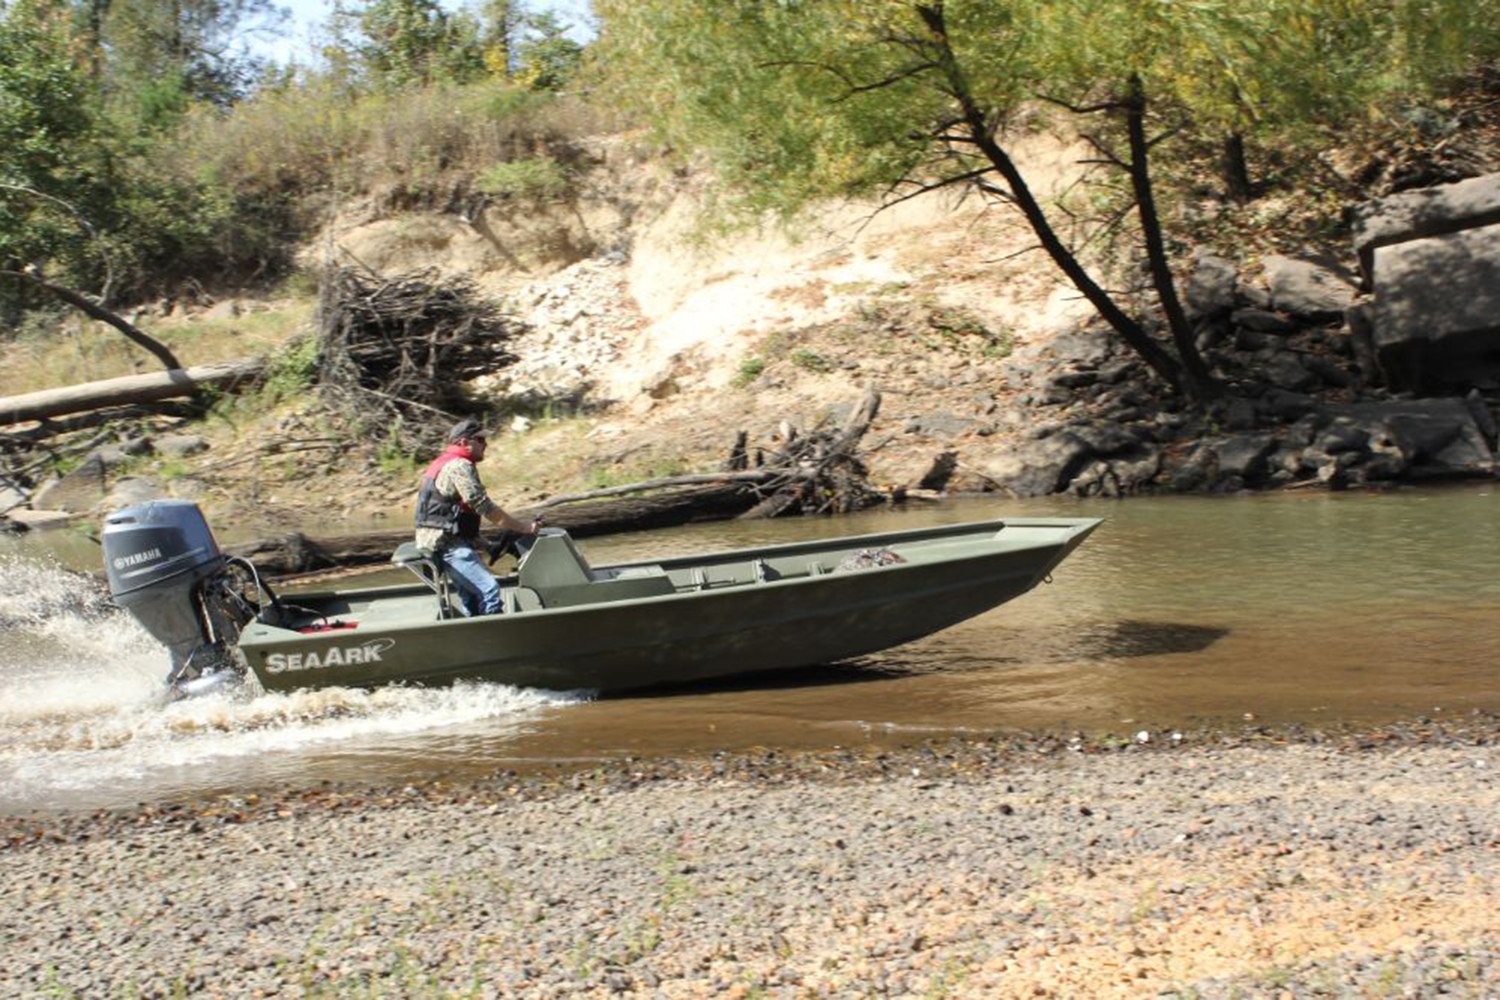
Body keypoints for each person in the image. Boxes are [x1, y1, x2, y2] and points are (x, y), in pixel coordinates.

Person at [414, 418, 540, 616]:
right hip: (444, 544)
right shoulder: (458, 466)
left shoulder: (447, 463)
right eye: (480, 440)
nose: (485, 444)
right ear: (464, 443)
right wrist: (524, 528)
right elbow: (485, 507)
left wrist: (487, 545)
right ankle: (493, 637)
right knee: (489, 589)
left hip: (444, 540)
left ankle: (471, 629)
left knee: (471, 595)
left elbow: (457, 518)